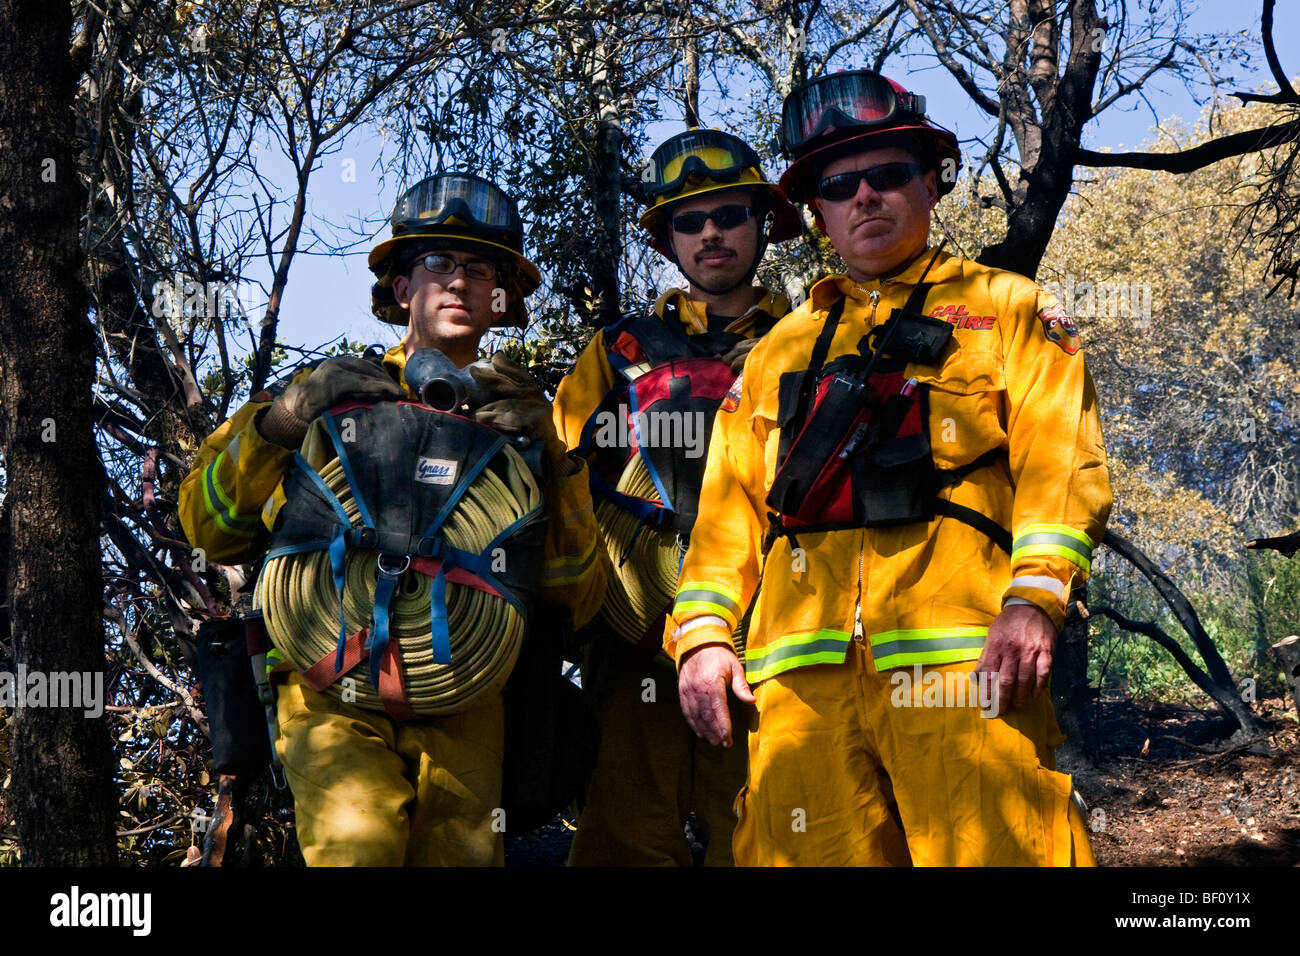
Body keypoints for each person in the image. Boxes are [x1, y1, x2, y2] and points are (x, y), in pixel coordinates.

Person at [666, 71, 1113, 866]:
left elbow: (1062, 465)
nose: (865, 195)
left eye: (888, 174)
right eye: (839, 184)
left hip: (964, 665)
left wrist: (1035, 599)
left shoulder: (1010, 310)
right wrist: (702, 638)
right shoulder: (776, 353)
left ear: (931, 183)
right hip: (800, 682)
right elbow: (728, 510)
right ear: (818, 211)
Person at [178, 172, 605, 866]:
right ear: (402, 289)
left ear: (503, 300)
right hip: (328, 686)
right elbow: (208, 526)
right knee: (359, 851)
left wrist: (554, 460)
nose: (460, 282)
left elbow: (573, 598)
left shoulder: (526, 428)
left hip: (468, 695)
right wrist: (285, 421)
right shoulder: (325, 399)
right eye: (439, 263)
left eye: (481, 269)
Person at [553, 129, 799, 865]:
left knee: (766, 830)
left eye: (729, 214)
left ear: (764, 223)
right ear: (667, 242)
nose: (711, 233)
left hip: (772, 634)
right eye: (689, 221)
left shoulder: (812, 340)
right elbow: (553, 469)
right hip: (632, 637)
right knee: (625, 834)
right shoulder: (618, 352)